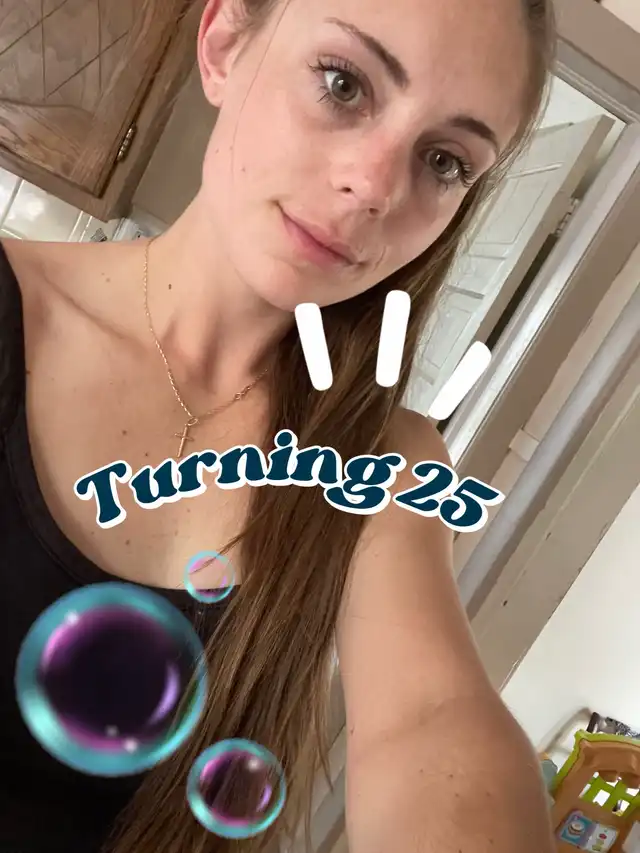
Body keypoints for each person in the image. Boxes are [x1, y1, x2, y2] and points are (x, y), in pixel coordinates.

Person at [0, 0, 557, 850]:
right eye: (343, 84)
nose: (375, 187)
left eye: (444, 160)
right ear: (225, 43)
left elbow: (429, 720)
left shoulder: (382, 462)